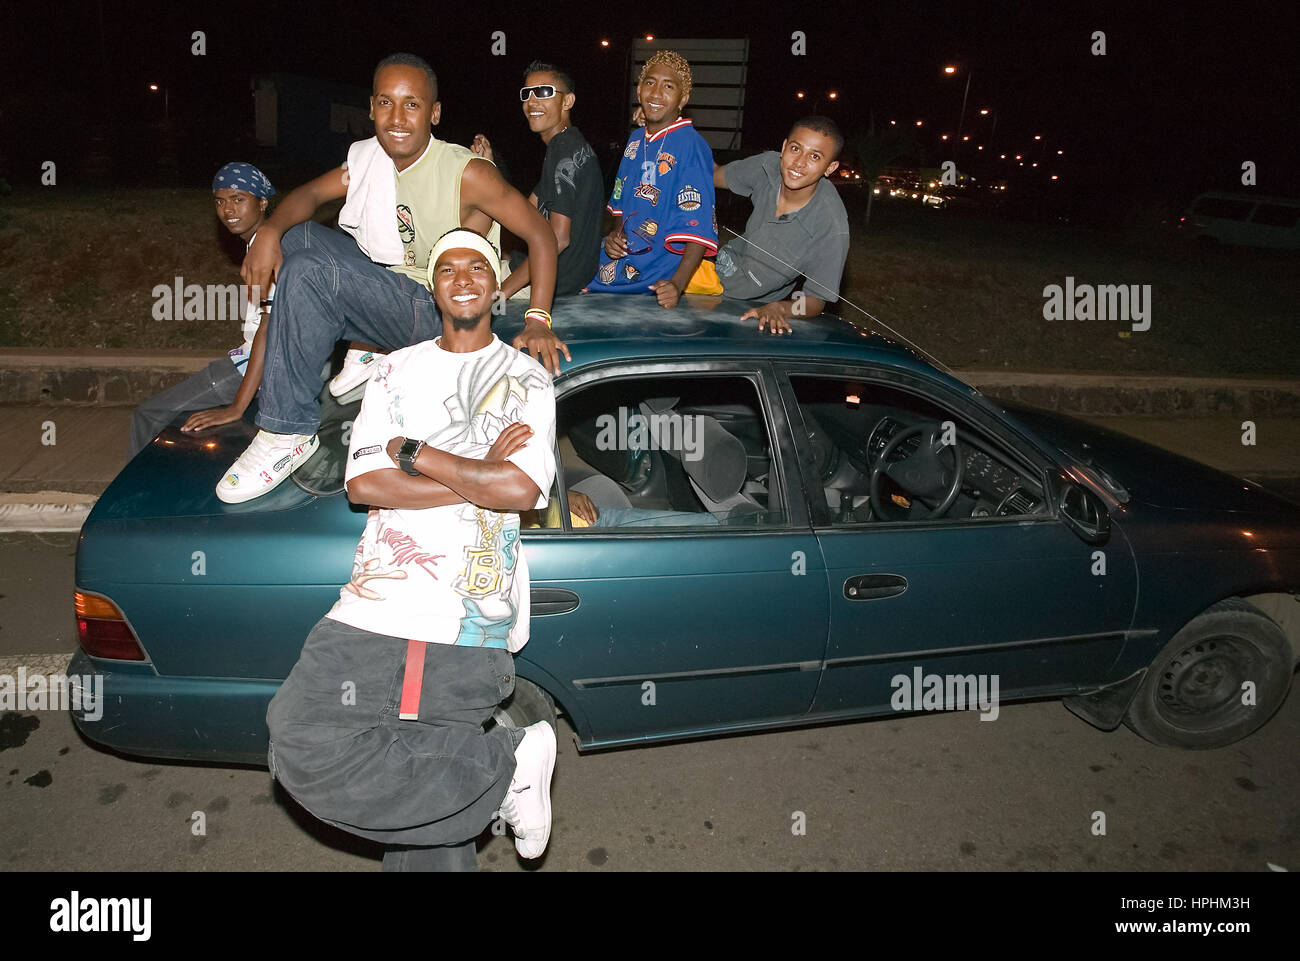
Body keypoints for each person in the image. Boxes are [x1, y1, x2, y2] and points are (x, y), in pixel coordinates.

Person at [266, 228, 558, 872]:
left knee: (430, 828)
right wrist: (474, 472)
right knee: (300, 735)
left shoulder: (526, 378)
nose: (461, 277)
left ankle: (505, 768)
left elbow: (519, 487)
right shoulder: (394, 369)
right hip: (371, 598)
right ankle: (508, 767)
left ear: (495, 280)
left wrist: (419, 455)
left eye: (476, 266)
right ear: (433, 284)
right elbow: (366, 481)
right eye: (447, 267)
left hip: (457, 614)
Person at [218, 52, 569, 504]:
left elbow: (542, 235)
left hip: (434, 306)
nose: (397, 118)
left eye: (412, 105)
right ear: (371, 108)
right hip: (389, 287)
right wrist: (267, 231)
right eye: (386, 103)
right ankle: (366, 347)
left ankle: (286, 431)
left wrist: (538, 317)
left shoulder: (468, 174)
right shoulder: (368, 161)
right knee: (297, 237)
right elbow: (307, 194)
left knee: (310, 274)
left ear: (434, 114)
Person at [128, 162, 276, 456]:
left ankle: (142, 497)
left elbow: (270, 328)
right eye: (220, 201)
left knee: (149, 415)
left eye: (238, 199)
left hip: (253, 366)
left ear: (262, 203)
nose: (228, 210)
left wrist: (237, 405)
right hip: (255, 360)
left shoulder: (269, 249)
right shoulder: (261, 243)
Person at [586, 50, 718, 308]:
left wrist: (677, 285)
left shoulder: (691, 145)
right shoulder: (636, 139)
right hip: (623, 259)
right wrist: (615, 236)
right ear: (639, 92)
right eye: (650, 83)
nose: (656, 93)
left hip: (658, 269)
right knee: (567, 267)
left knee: (568, 280)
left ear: (683, 98)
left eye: (668, 86)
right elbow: (620, 201)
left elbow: (698, 224)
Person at [471, 61, 603, 298]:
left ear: (567, 101)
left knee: (454, 279)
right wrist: (489, 167)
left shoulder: (563, 149)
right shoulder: (570, 144)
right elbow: (520, 212)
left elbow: (557, 240)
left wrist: (503, 292)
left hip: (551, 280)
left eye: (544, 92)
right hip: (567, 275)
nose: (531, 101)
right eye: (527, 93)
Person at [712, 117, 851, 335]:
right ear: (784, 147)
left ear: (830, 167)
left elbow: (816, 300)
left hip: (748, 307)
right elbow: (713, 175)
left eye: (815, 156)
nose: (799, 163)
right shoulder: (767, 167)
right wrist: (677, 136)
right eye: (795, 149)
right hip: (714, 270)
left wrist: (782, 308)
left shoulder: (830, 226)